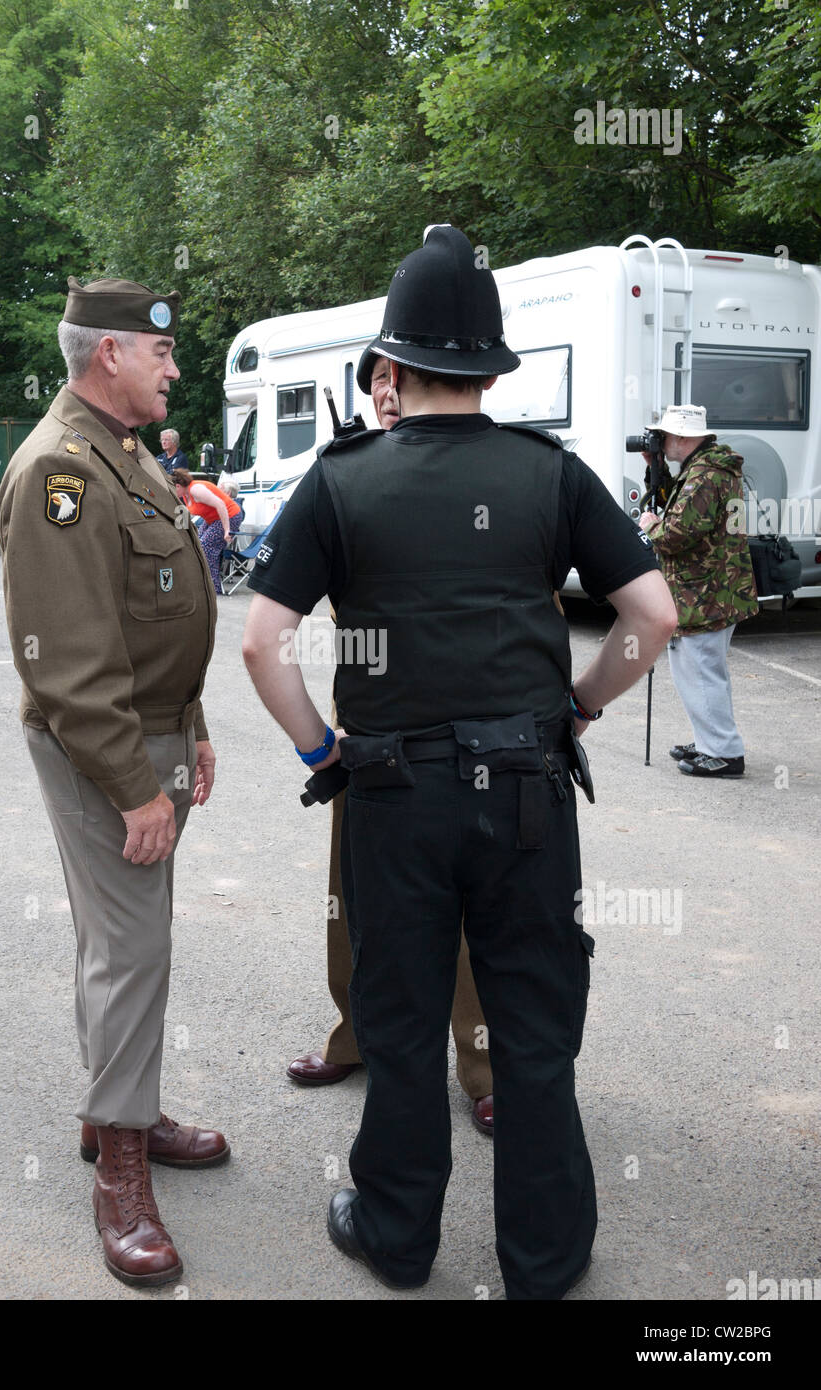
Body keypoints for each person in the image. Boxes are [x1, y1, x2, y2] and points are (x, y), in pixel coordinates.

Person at [242, 225, 677, 1299]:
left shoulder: (341, 480)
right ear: (490, 366)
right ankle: (544, 1256)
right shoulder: (548, 472)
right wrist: (575, 707)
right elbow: (652, 616)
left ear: (393, 366)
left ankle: (397, 1235)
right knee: (533, 1023)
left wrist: (321, 749)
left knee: (398, 1020)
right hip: (526, 791)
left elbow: (262, 642)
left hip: (392, 795)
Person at [0, 276, 228, 1290]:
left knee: (122, 937)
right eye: (161, 354)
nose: (174, 369)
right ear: (108, 359)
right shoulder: (61, 470)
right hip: (108, 747)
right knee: (132, 945)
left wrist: (198, 726)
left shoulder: (124, 453)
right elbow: (68, 663)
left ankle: (113, 1109)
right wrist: (139, 786)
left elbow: (164, 609)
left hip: (155, 731)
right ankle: (120, 1169)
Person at [287, 346, 496, 1136]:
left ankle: (482, 1065)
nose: (384, 390)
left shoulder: (494, 474)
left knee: (470, 917)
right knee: (354, 905)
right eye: (373, 380)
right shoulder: (346, 473)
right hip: (369, 738)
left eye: (393, 375)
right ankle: (359, 1035)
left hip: (471, 743)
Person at [638, 405, 758, 778]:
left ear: (683, 437)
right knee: (697, 670)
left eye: (665, 436)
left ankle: (723, 752)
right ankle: (709, 740)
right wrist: (653, 469)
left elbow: (676, 534)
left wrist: (650, 526)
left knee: (701, 672)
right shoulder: (705, 469)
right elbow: (679, 505)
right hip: (712, 588)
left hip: (706, 592)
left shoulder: (706, 475)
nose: (662, 442)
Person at [172, 467, 242, 596]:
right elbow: (188, 515)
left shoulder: (195, 489)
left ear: (178, 486)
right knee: (196, 544)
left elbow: (220, 504)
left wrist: (227, 530)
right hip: (213, 519)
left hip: (230, 515)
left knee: (206, 547)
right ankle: (198, 582)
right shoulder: (185, 495)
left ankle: (213, 589)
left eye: (172, 488)